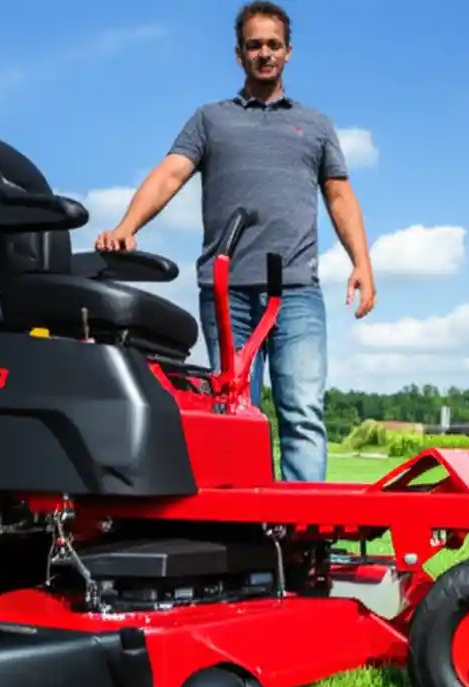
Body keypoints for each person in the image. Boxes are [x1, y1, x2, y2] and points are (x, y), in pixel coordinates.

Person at [95, 1, 375, 481]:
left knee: (302, 410)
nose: (264, 53)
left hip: (296, 293)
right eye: (254, 45)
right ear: (239, 53)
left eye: (273, 45)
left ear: (288, 52)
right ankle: (242, 539)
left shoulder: (316, 125)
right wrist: (127, 225)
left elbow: (339, 196)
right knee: (234, 411)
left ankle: (300, 536)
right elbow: (171, 174)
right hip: (227, 295)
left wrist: (362, 264)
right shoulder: (210, 119)